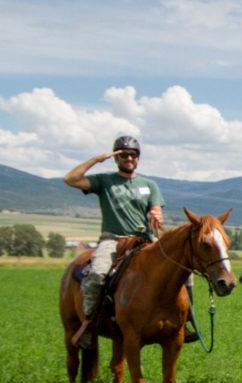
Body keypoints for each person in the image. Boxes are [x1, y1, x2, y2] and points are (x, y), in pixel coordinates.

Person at [63, 135, 180, 348]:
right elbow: (70, 179)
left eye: (133, 155)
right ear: (116, 158)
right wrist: (96, 160)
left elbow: (156, 211)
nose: (129, 158)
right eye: (124, 154)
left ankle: (183, 322)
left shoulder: (149, 185)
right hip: (113, 239)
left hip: (145, 240)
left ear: (138, 158)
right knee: (97, 274)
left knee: (180, 271)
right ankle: (89, 324)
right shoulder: (104, 181)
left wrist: (157, 217)